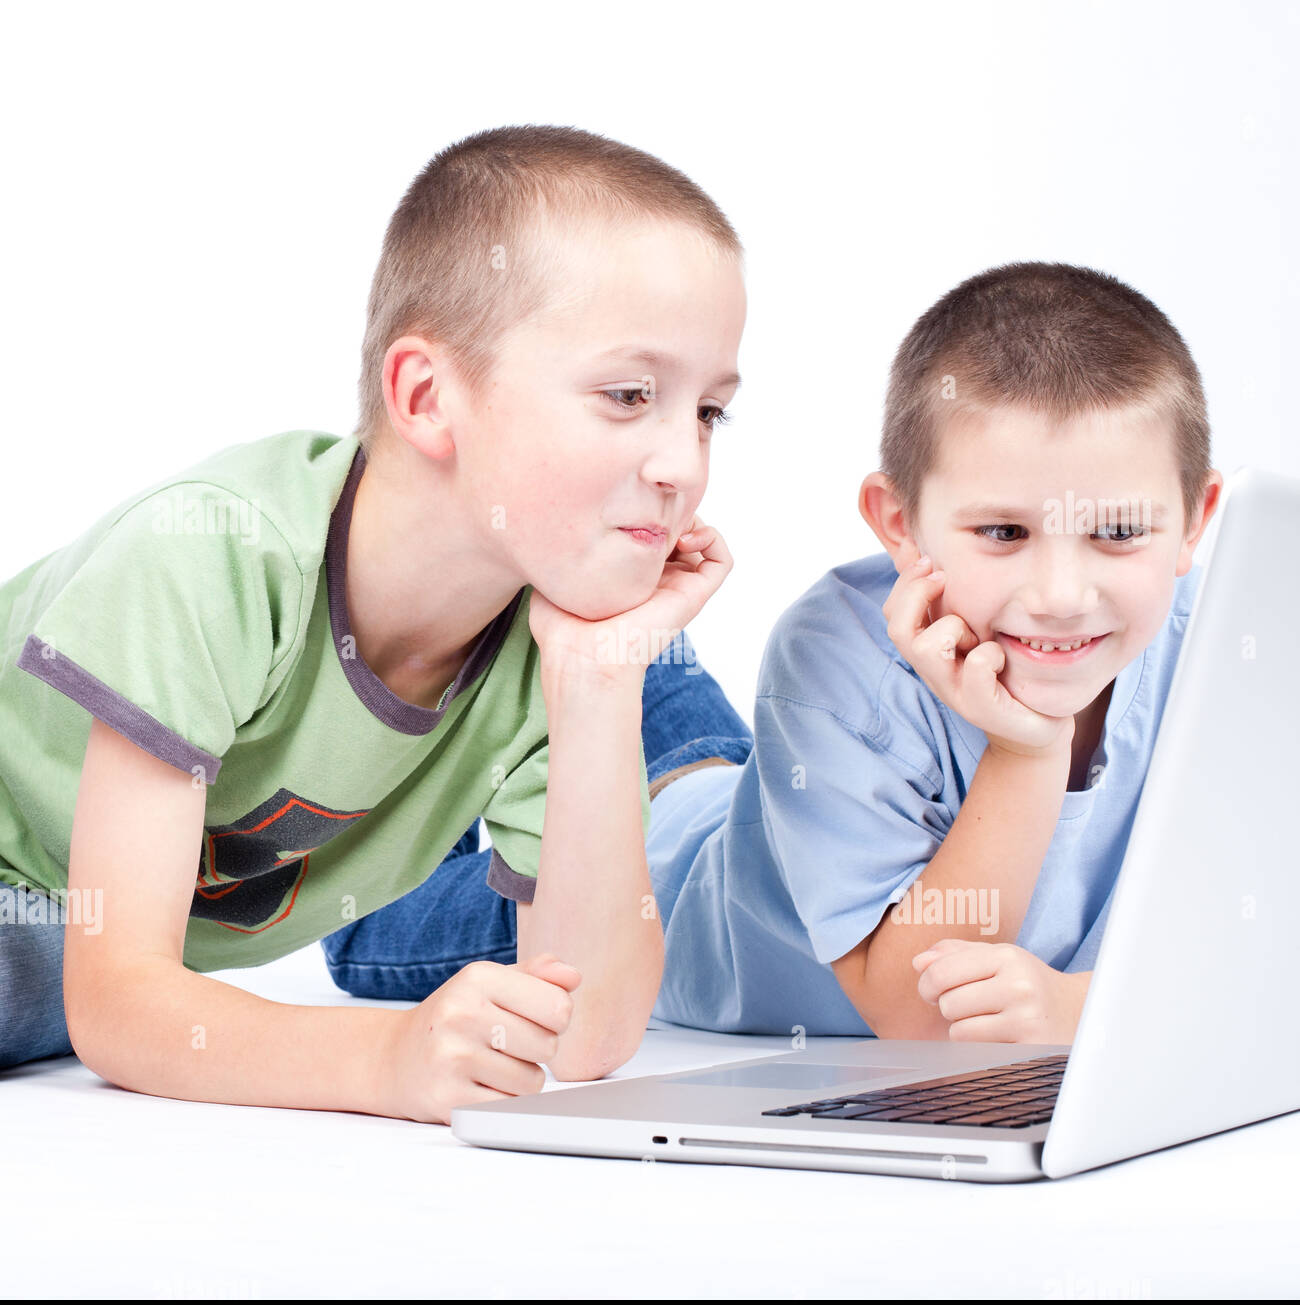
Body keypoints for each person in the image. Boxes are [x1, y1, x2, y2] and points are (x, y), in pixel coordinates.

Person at [0, 124, 746, 1125]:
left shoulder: (548, 639)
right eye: (629, 395)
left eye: (708, 412)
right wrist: (383, 1057)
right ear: (428, 396)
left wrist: (602, 681)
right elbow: (120, 1001)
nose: (682, 465)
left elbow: (587, 1030)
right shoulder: (222, 554)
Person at [331, 261, 1221, 1050]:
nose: (1062, 593)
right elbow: (919, 1017)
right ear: (900, 526)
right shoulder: (838, 652)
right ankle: (466, 674)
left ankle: (619, 665)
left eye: (1116, 531)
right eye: (1002, 531)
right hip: (658, 895)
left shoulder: (1221, 651)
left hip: (745, 796)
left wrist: (1078, 1007)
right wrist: (1030, 747)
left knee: (700, 762)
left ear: (1195, 520)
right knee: (373, 930)